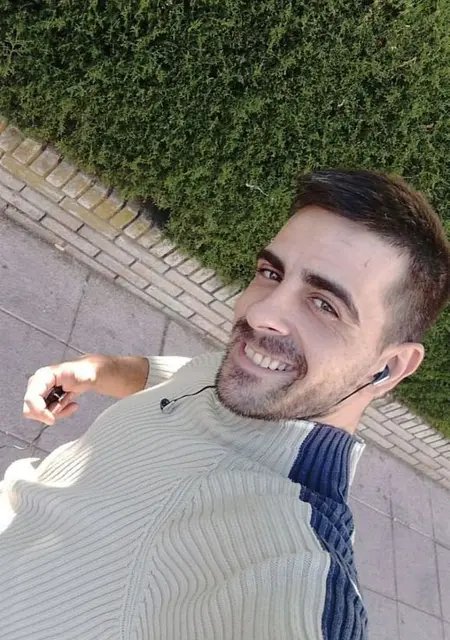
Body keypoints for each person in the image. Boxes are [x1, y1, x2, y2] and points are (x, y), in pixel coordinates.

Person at [1, 169, 448, 640]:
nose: (261, 312)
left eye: (325, 305)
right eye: (271, 273)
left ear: (389, 367)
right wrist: (98, 370)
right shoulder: (247, 378)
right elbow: (179, 376)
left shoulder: (290, 550)